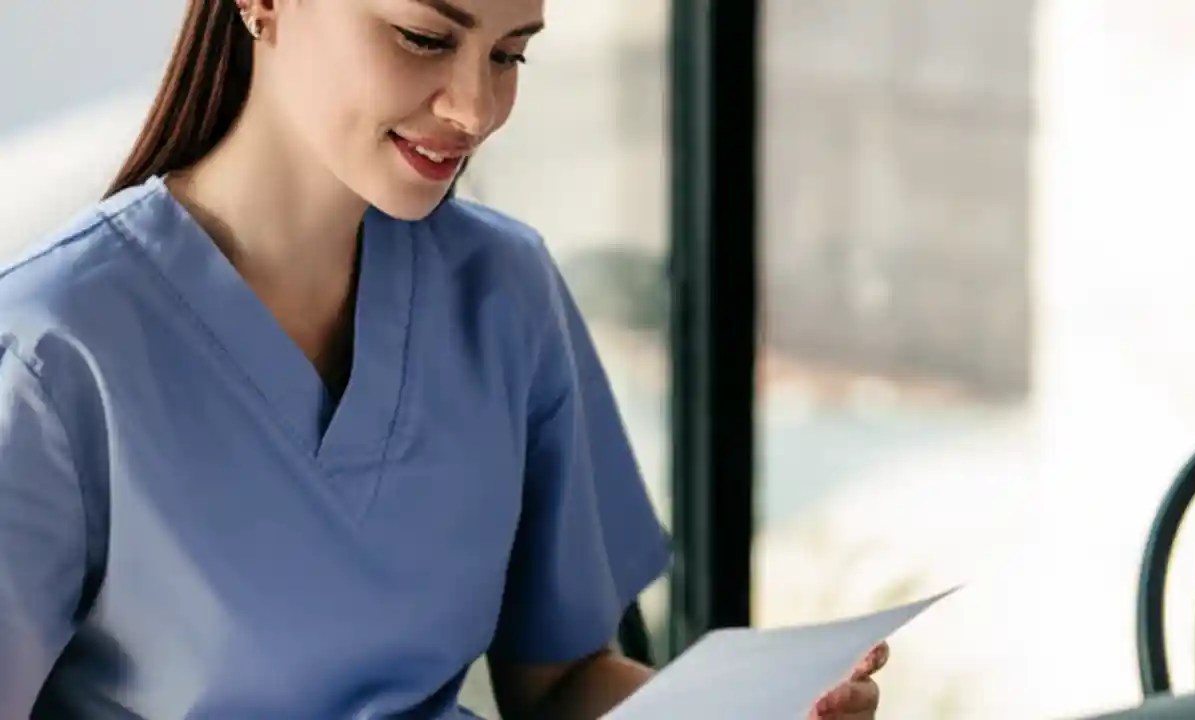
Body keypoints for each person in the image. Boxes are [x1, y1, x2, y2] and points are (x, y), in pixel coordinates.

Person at [0, 0, 889, 717]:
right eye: (425, 38)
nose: (475, 108)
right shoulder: (52, 350)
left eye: (510, 55)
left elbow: (567, 679)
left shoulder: (504, 290)